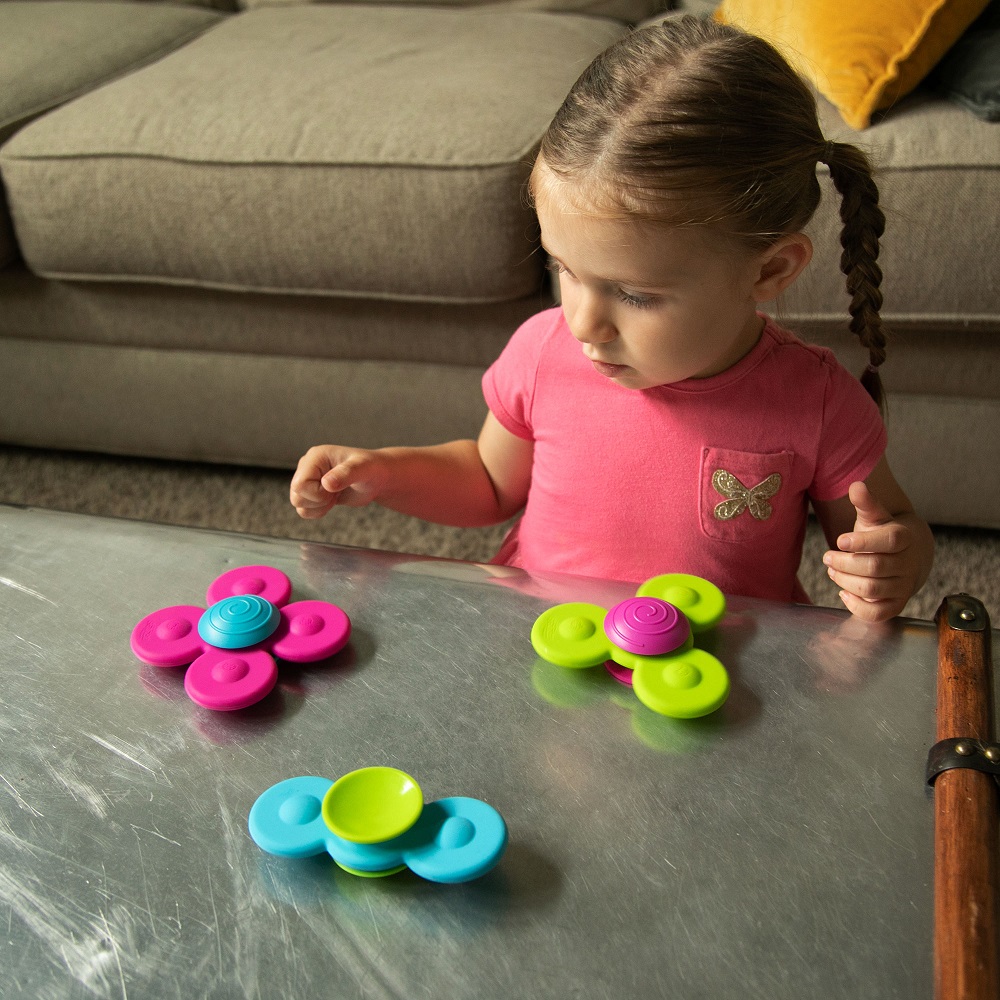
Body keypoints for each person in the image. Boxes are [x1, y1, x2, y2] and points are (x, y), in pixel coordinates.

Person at [291, 15, 933, 622]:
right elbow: (488, 481)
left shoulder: (816, 400)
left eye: (635, 294)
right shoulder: (543, 352)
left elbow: (886, 533)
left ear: (768, 271)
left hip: (710, 677)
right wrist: (385, 473)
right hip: (542, 644)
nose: (583, 324)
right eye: (565, 271)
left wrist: (893, 563)